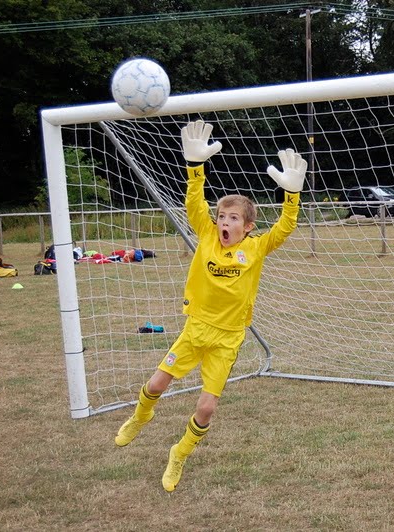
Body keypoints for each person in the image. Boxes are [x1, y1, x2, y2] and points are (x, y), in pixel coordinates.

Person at [114, 119, 306, 492]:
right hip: (196, 327)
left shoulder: (256, 247)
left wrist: (292, 195)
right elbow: (193, 201)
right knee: (156, 383)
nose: (225, 221)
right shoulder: (205, 234)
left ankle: (179, 454)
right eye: (222, 216)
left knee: (206, 408)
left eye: (234, 218)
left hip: (228, 338)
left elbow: (284, 228)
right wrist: (195, 166)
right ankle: (141, 416)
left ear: (248, 226)